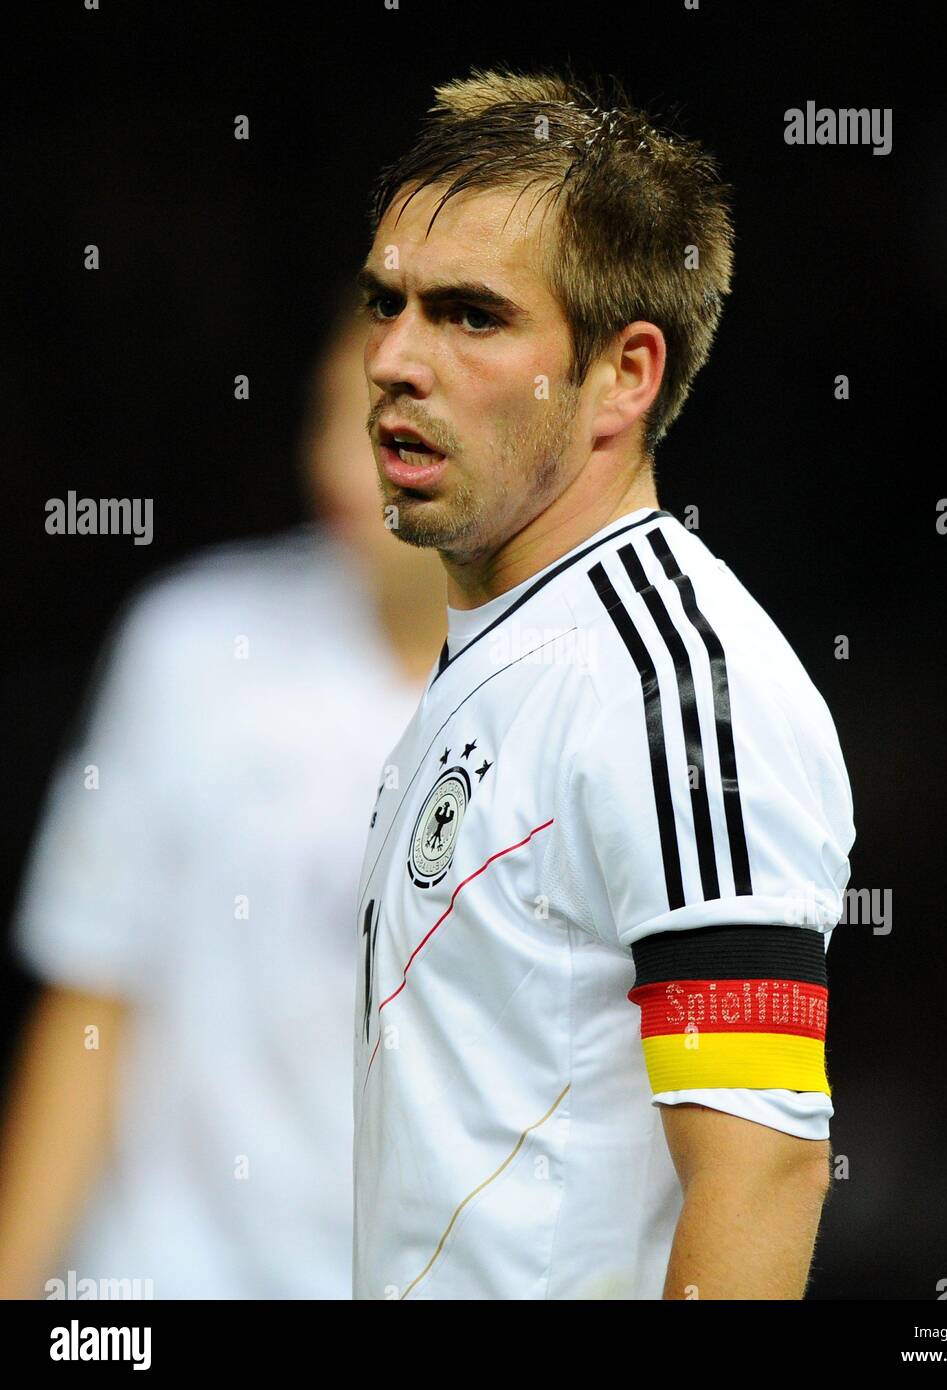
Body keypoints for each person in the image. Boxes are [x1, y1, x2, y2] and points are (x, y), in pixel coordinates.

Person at [351, 67, 856, 1302]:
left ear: (626, 375)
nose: (394, 360)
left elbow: (763, 1171)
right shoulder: (519, 651)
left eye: (471, 315)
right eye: (388, 301)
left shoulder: (674, 690)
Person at [0, 308, 446, 1299]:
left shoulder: (603, 709)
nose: (335, 463)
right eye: (328, 413)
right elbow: (93, 999)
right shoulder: (193, 646)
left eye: (388, 428)